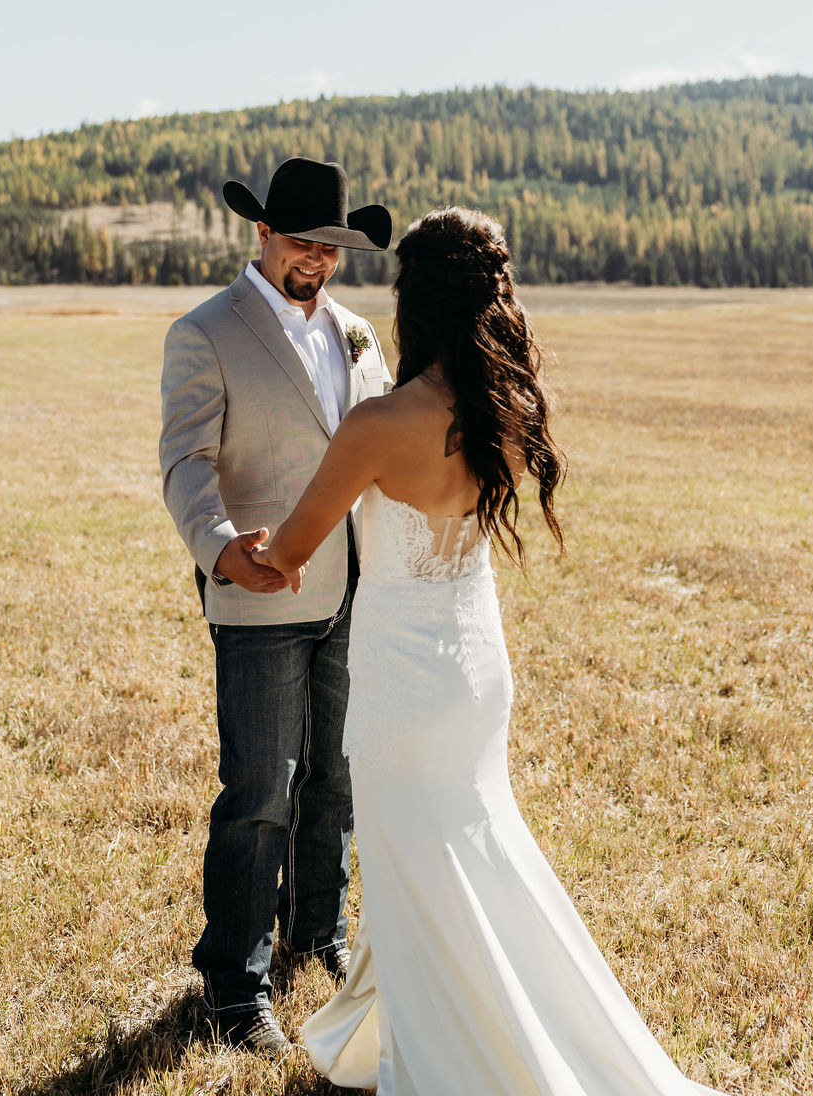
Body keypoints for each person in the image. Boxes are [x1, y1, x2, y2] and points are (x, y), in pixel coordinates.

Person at [263, 206, 726, 1095]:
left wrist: (246, 551)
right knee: (477, 851)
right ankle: (441, 1024)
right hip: (477, 673)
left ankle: (457, 1055)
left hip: (400, 685)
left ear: (416, 304)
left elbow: (293, 550)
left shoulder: (378, 426)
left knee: (420, 869)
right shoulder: (509, 412)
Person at [158, 156, 393, 1056]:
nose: (318, 261)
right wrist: (220, 548)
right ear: (260, 234)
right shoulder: (203, 332)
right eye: (302, 243)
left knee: (333, 782)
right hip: (256, 596)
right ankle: (233, 983)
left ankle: (317, 935)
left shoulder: (360, 334)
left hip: (353, 594)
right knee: (260, 792)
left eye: (331, 248)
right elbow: (186, 461)